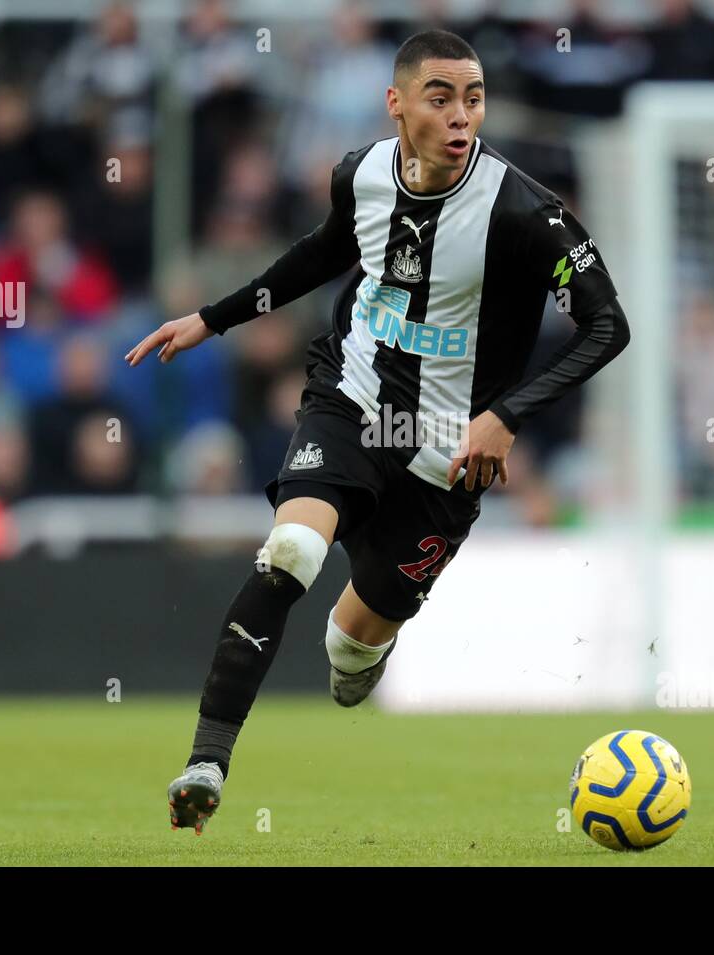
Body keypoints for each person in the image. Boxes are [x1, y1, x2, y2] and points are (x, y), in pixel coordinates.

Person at [125, 29, 629, 836]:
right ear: (396, 104)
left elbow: (609, 327)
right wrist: (213, 319)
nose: (461, 115)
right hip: (354, 399)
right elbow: (324, 253)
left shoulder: (529, 213)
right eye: (440, 97)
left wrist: (504, 417)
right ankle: (206, 763)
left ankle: (362, 647)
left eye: (473, 98)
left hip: (449, 456)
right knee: (291, 550)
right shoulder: (358, 175)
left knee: (352, 649)